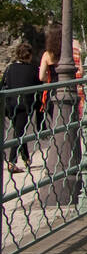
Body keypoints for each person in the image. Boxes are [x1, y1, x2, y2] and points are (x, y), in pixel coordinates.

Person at [2, 41, 41, 174]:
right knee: (19, 132)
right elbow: (39, 85)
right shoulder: (34, 69)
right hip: (25, 104)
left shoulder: (10, 68)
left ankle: (26, 158)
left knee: (20, 130)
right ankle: (12, 162)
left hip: (10, 104)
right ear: (29, 55)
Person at [38, 23, 61, 128]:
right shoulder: (66, 53)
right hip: (67, 87)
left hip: (52, 89)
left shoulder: (47, 55)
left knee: (55, 119)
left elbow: (41, 77)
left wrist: (49, 77)